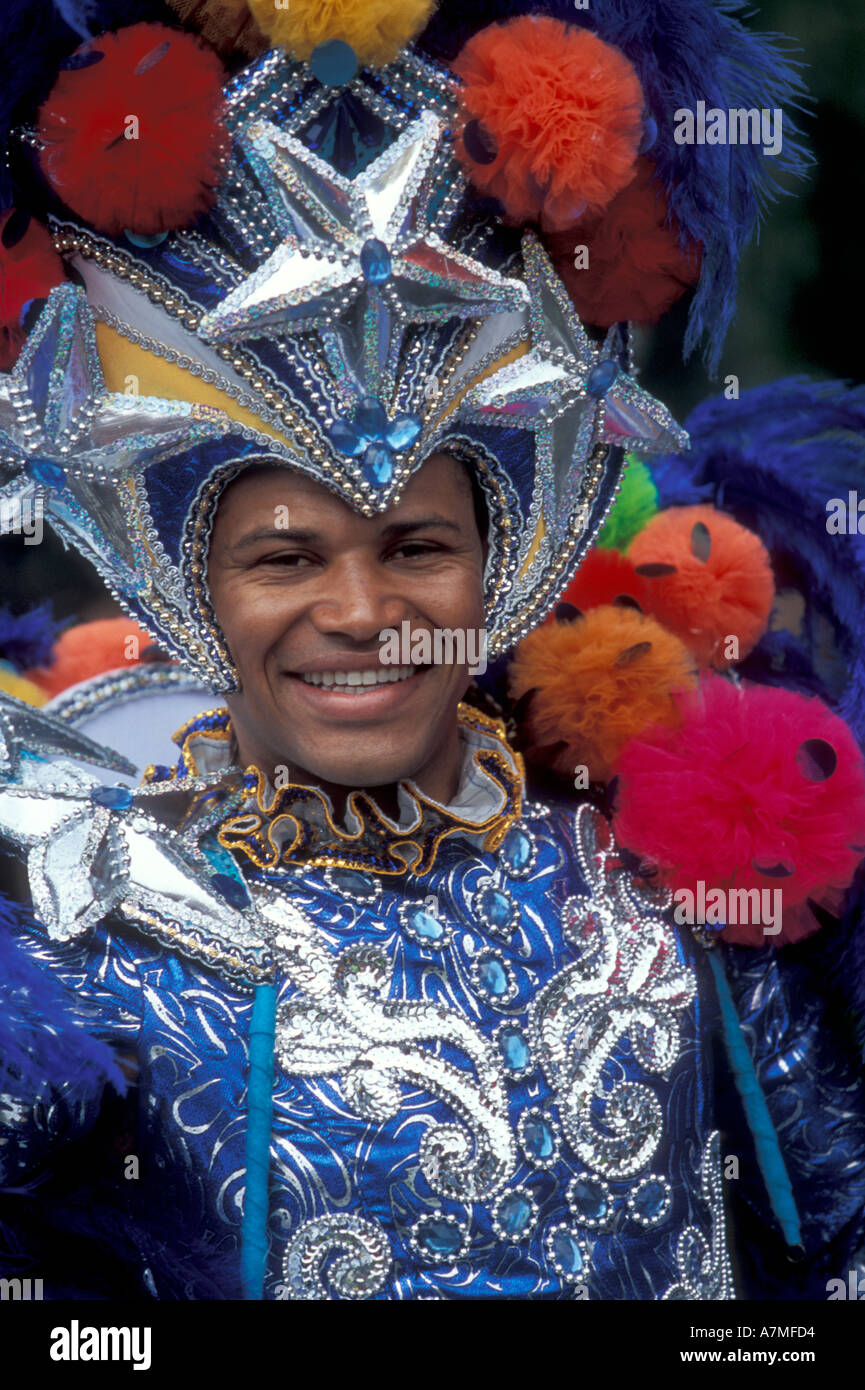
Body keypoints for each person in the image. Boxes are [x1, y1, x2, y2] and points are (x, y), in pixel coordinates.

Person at [1, 0, 864, 1302]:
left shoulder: (671, 872)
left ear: (505, 555)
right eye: (285, 558)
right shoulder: (77, 922)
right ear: (194, 589)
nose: (361, 609)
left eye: (414, 547)